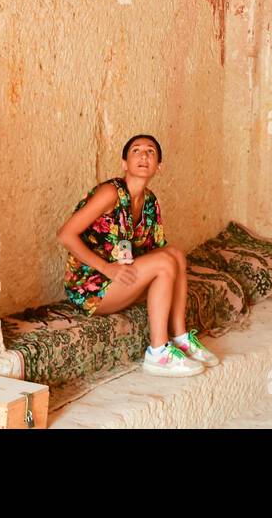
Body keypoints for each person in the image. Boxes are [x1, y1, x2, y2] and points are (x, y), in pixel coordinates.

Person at [57, 133, 218, 377]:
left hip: (122, 280)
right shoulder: (110, 192)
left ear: (159, 166)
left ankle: (181, 338)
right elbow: (65, 234)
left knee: (174, 254)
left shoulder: (150, 201)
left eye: (150, 152)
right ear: (124, 163)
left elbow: (157, 251)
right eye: (136, 151)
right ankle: (158, 353)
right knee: (165, 261)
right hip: (92, 288)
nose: (144, 155)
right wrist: (107, 268)